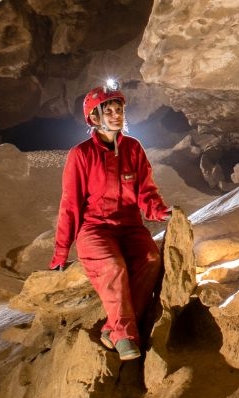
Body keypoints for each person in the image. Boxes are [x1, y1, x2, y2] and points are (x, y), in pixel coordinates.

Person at [50, 84, 170, 361]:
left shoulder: (133, 148)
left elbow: (146, 191)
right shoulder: (80, 155)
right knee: (113, 266)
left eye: (119, 110)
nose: (117, 115)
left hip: (129, 226)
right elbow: (70, 205)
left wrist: (160, 212)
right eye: (109, 111)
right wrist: (60, 253)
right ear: (94, 117)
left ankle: (113, 329)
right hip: (95, 228)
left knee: (151, 259)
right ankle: (125, 336)